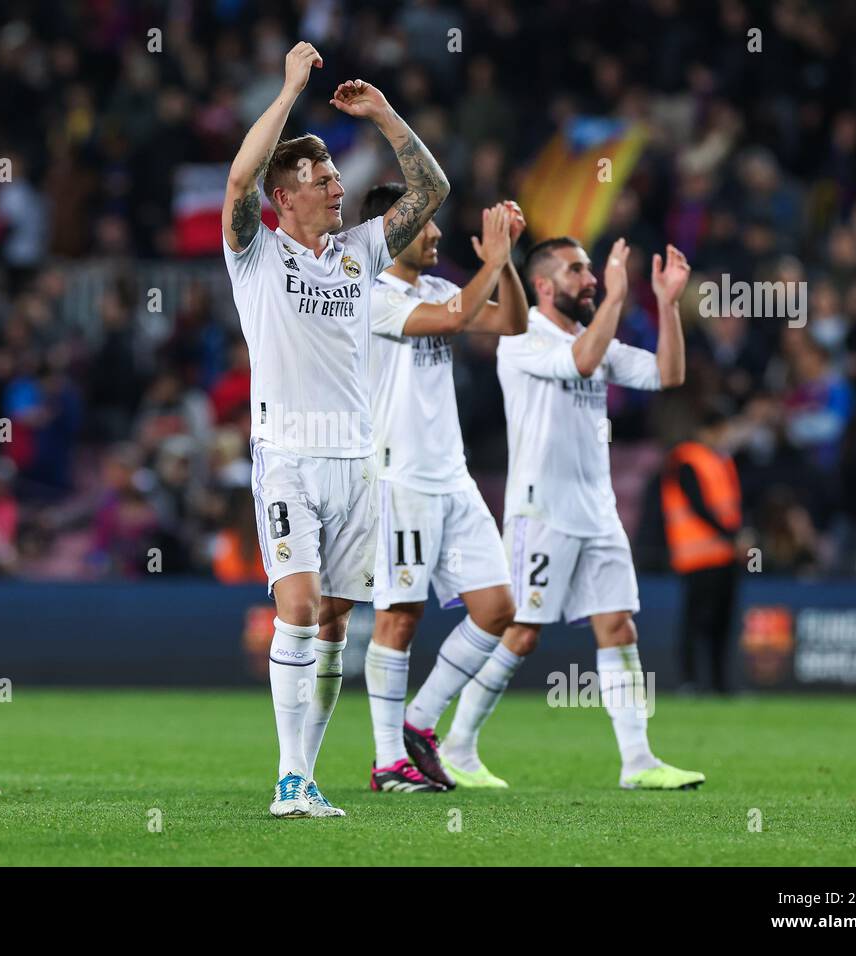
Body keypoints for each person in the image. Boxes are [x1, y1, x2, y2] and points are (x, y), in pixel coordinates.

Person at [221, 42, 449, 817]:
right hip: (286, 454)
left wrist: (383, 113)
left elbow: (432, 188)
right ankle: (288, 780)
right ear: (286, 198)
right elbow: (238, 180)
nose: (334, 187)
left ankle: (306, 777)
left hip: (357, 464)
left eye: (333, 177)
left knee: (333, 626)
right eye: (320, 180)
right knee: (298, 605)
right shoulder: (255, 254)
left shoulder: (359, 253)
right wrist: (290, 89)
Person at [481, 235, 705, 790]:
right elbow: (581, 364)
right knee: (522, 632)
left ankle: (638, 761)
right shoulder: (521, 337)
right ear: (543, 285)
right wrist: (617, 298)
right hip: (542, 510)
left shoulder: (593, 336)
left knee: (617, 625)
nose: (590, 279)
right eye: (577, 270)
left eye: (590, 270)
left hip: (597, 510)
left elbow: (668, 374)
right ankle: (457, 742)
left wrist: (669, 305)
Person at [358, 188, 528, 792]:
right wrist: (492, 260)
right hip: (400, 478)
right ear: (393, 229)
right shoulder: (368, 296)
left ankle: (420, 723)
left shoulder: (434, 289)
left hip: (452, 476)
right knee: (399, 617)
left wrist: (503, 262)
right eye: (426, 226)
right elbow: (459, 318)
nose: (436, 236)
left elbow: (511, 321)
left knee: (497, 609)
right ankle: (386, 763)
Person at [662, 408, 744, 693]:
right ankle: (689, 682)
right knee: (695, 622)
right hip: (696, 558)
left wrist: (737, 538)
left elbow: (731, 507)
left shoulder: (722, 461)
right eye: (722, 430)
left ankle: (721, 685)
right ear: (707, 430)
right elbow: (697, 506)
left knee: (722, 624)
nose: (726, 436)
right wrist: (732, 535)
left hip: (725, 556)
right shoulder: (685, 460)